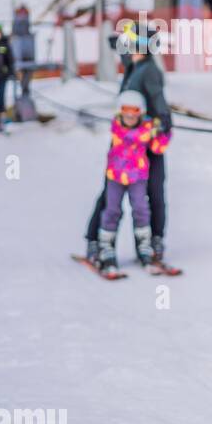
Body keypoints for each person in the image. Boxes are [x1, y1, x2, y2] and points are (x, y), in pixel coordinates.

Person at [84, 33, 173, 265]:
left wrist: (162, 121)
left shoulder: (149, 70)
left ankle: (153, 239)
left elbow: (157, 98)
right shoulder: (135, 64)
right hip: (124, 140)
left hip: (147, 140)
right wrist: (118, 44)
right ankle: (97, 240)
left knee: (151, 192)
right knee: (111, 192)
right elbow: (125, 57)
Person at [94, 91, 170, 272]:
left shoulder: (146, 129)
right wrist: (149, 130)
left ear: (140, 113)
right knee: (112, 210)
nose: (129, 116)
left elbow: (158, 148)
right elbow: (130, 137)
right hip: (116, 177)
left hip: (138, 178)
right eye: (125, 111)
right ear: (119, 112)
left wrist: (163, 131)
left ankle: (144, 245)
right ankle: (106, 246)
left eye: (134, 111)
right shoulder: (117, 128)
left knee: (141, 209)